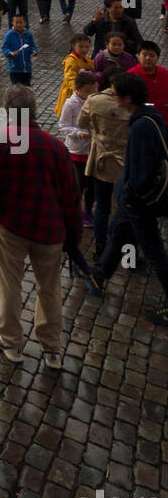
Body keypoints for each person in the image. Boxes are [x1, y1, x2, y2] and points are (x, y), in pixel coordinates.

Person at [0, 84, 82, 368]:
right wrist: (74, 234)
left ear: (9, 111)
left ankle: (10, 341)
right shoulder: (55, 147)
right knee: (49, 288)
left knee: (9, 283)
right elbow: (71, 196)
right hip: (49, 229)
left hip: (10, 226)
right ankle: (51, 348)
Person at [89, 75, 168, 326]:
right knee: (120, 233)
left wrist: (131, 196)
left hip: (139, 202)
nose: (113, 98)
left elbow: (141, 171)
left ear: (127, 99)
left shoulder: (142, 127)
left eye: (115, 95)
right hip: (131, 200)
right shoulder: (148, 117)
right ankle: (99, 275)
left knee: (154, 250)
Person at [81, 67, 132, 255]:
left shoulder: (94, 100)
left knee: (102, 207)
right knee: (126, 209)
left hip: (101, 160)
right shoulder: (132, 104)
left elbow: (81, 123)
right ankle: (127, 254)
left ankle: (100, 248)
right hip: (125, 162)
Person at [56, 70, 99, 225]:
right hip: (76, 151)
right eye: (87, 91)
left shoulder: (95, 101)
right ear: (77, 89)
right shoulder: (70, 104)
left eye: (93, 91)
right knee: (78, 184)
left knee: (92, 185)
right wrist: (78, 133)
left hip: (92, 151)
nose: (90, 94)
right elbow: (63, 126)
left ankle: (88, 210)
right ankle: (74, 211)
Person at [54, 33, 95, 118]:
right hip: (73, 93)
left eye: (87, 47)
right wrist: (77, 91)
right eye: (81, 47)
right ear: (73, 46)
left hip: (84, 91)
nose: (84, 49)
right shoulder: (71, 60)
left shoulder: (86, 58)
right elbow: (70, 78)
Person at [129, 41, 168, 124]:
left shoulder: (164, 72)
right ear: (138, 56)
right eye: (144, 54)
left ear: (157, 58)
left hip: (164, 119)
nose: (148, 58)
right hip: (142, 120)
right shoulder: (131, 75)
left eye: (152, 55)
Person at [2, 14, 37, 86]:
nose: (18, 25)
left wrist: (34, 50)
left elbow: (32, 45)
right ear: (12, 23)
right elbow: (5, 48)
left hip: (27, 68)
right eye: (16, 23)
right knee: (17, 89)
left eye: (21, 22)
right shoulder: (9, 35)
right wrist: (9, 53)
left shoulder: (28, 34)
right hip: (15, 68)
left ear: (25, 23)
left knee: (27, 87)